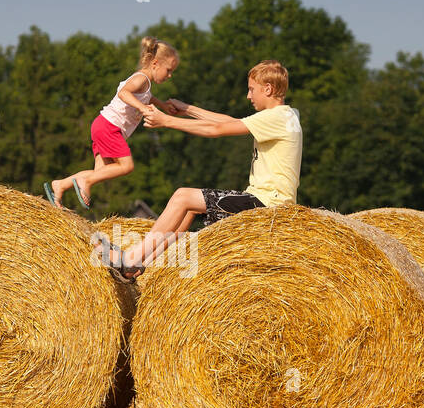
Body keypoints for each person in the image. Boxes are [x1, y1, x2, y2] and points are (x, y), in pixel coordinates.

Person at [102, 60, 301, 278]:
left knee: (182, 197)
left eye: (252, 89)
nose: (248, 96)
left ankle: (130, 260)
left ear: (268, 89)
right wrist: (188, 109)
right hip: (269, 201)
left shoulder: (276, 117)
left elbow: (218, 129)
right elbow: (230, 121)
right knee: (189, 208)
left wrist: (166, 121)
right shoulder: (287, 115)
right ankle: (140, 264)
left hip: (266, 204)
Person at [45, 36, 180, 208]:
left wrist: (163, 105)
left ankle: (61, 185)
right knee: (126, 166)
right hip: (110, 127)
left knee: (101, 173)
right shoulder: (141, 79)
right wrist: (143, 108)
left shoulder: (145, 84)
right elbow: (124, 93)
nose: (170, 75)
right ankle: (84, 181)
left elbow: (147, 97)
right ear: (155, 64)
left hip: (103, 125)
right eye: (168, 70)